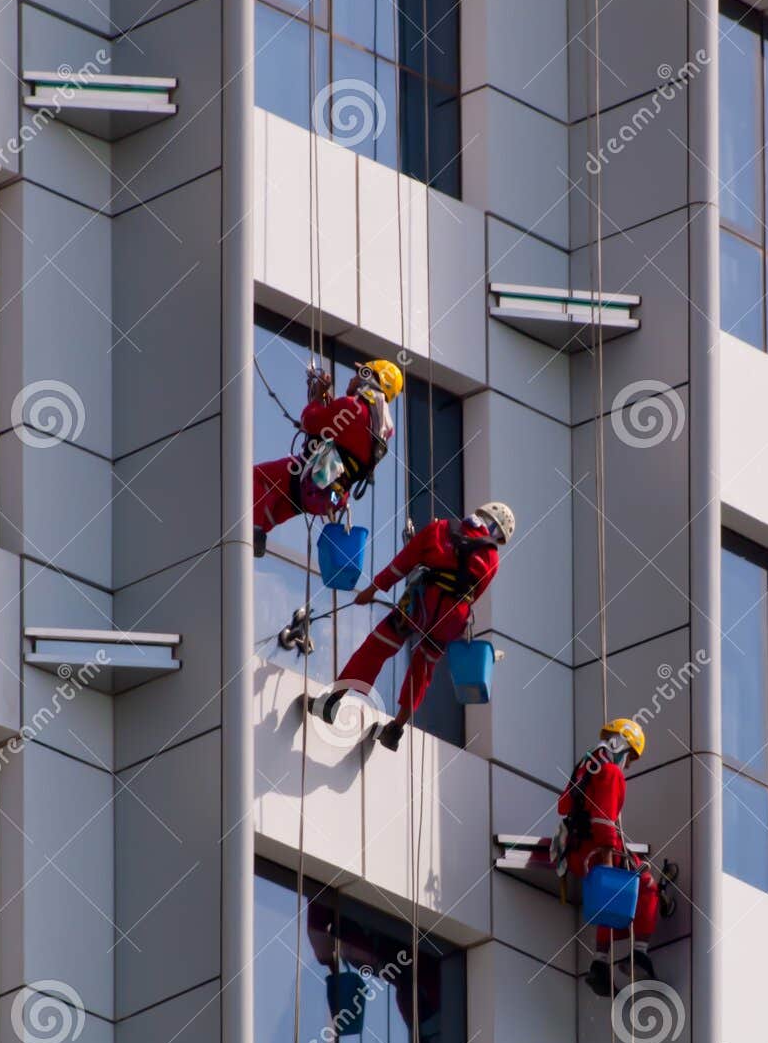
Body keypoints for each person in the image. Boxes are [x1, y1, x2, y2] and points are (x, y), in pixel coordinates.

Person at [309, 502, 515, 751]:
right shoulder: (492, 559)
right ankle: (394, 730)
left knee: (377, 646)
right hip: (451, 618)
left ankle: (331, 702)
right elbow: (474, 594)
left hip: (420, 604)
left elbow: (403, 563)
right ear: (497, 532)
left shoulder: (441, 529)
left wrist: (373, 589)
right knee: (423, 671)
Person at [252, 359, 404, 556]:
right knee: (274, 510)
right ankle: (256, 533)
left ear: (370, 379)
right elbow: (345, 435)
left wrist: (316, 398)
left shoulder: (352, 407)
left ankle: (253, 531)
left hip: (312, 478)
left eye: (359, 374)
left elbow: (310, 422)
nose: (352, 377)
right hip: (329, 496)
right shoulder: (380, 430)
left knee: (256, 477)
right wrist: (328, 402)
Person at [556, 718, 661, 996]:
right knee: (646, 886)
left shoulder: (587, 764)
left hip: (577, 850)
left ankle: (600, 962)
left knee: (611, 897)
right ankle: (639, 954)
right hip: (594, 849)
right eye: (630, 759)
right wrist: (608, 861)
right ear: (623, 745)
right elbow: (604, 823)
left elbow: (563, 804)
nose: (627, 765)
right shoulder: (610, 771)